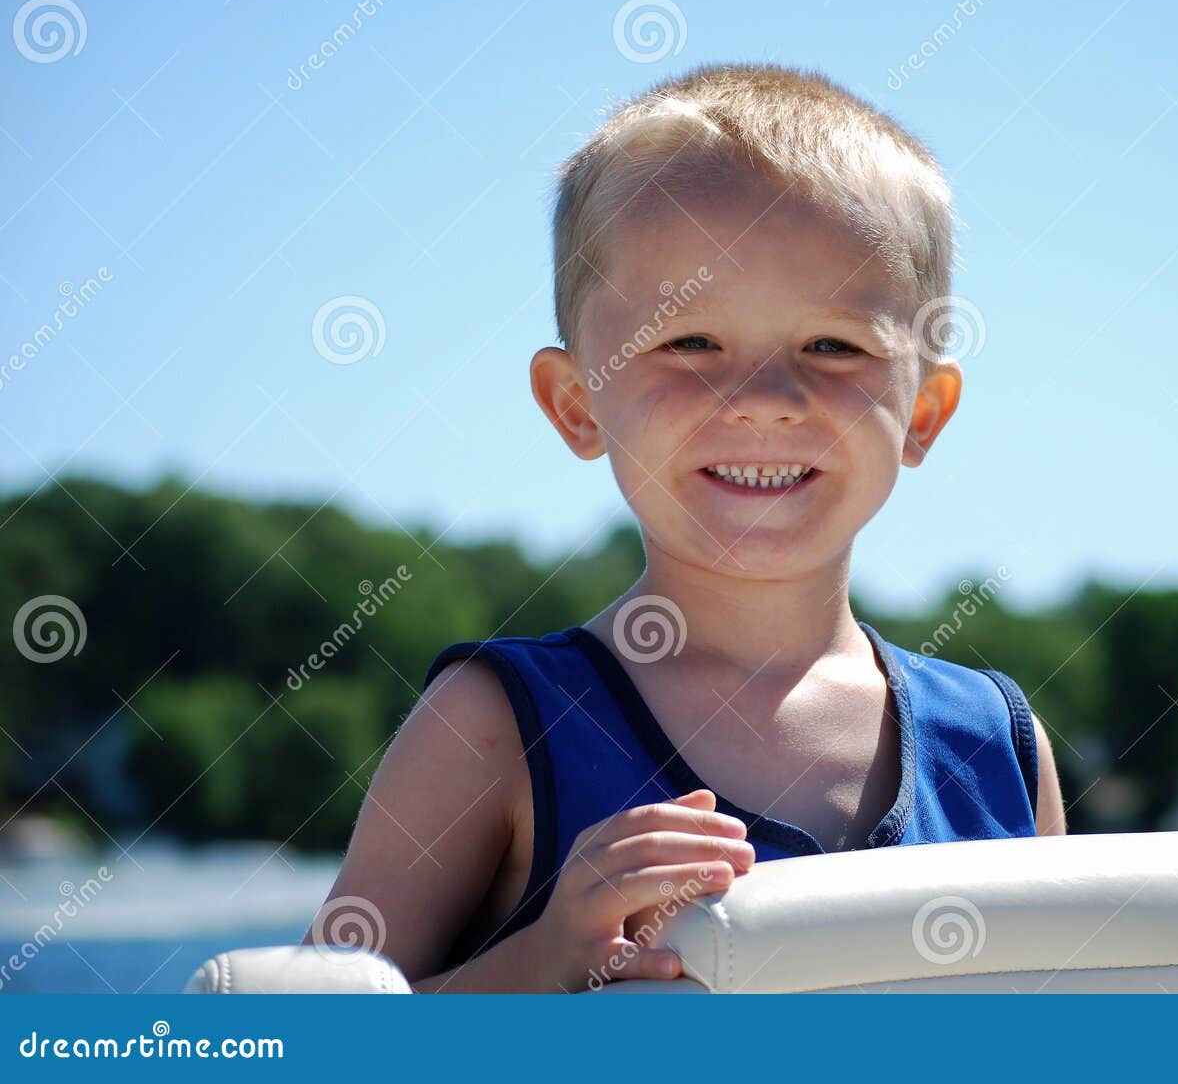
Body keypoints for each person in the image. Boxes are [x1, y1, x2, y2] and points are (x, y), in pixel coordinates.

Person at [306, 62, 1066, 992]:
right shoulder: (495, 725)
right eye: (689, 341)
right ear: (576, 402)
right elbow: (299, 1034)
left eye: (834, 346)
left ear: (925, 412)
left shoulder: (998, 746)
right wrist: (537, 966)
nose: (764, 400)